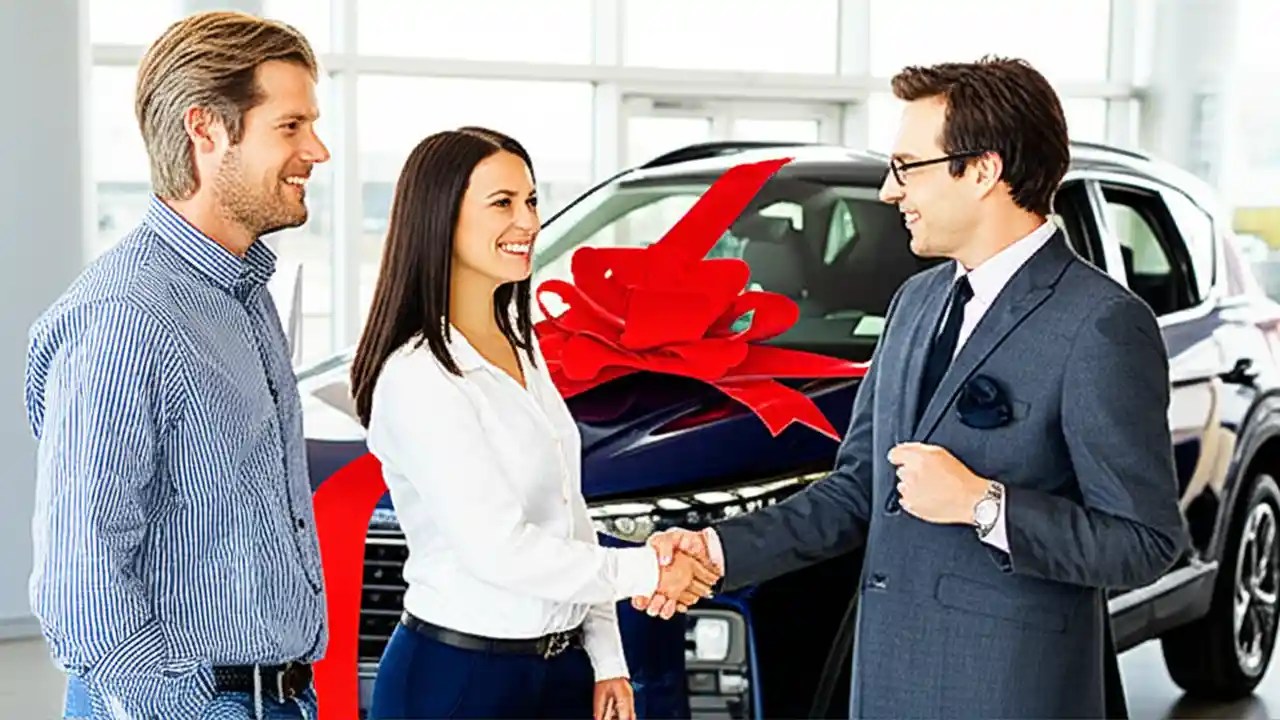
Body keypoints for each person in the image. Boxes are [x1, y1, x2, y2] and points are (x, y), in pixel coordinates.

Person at [635, 56, 1190, 719]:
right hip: (888, 685)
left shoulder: (1101, 323)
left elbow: (1145, 543)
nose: (890, 191)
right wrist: (716, 549)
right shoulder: (917, 302)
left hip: (1010, 696)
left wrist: (984, 504)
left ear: (983, 170)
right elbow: (857, 489)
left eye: (907, 167)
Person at [349, 126, 718, 720]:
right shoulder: (418, 375)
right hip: (461, 682)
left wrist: (606, 656)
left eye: (531, 200)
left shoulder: (521, 347)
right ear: (440, 217)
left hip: (558, 671)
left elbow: (570, 516)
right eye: (502, 203)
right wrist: (650, 567)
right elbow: (499, 549)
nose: (527, 221)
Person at [25, 11, 331, 720]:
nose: (316, 149)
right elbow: (81, 580)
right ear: (206, 131)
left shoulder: (241, 295)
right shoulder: (126, 317)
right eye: (290, 126)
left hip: (273, 695)